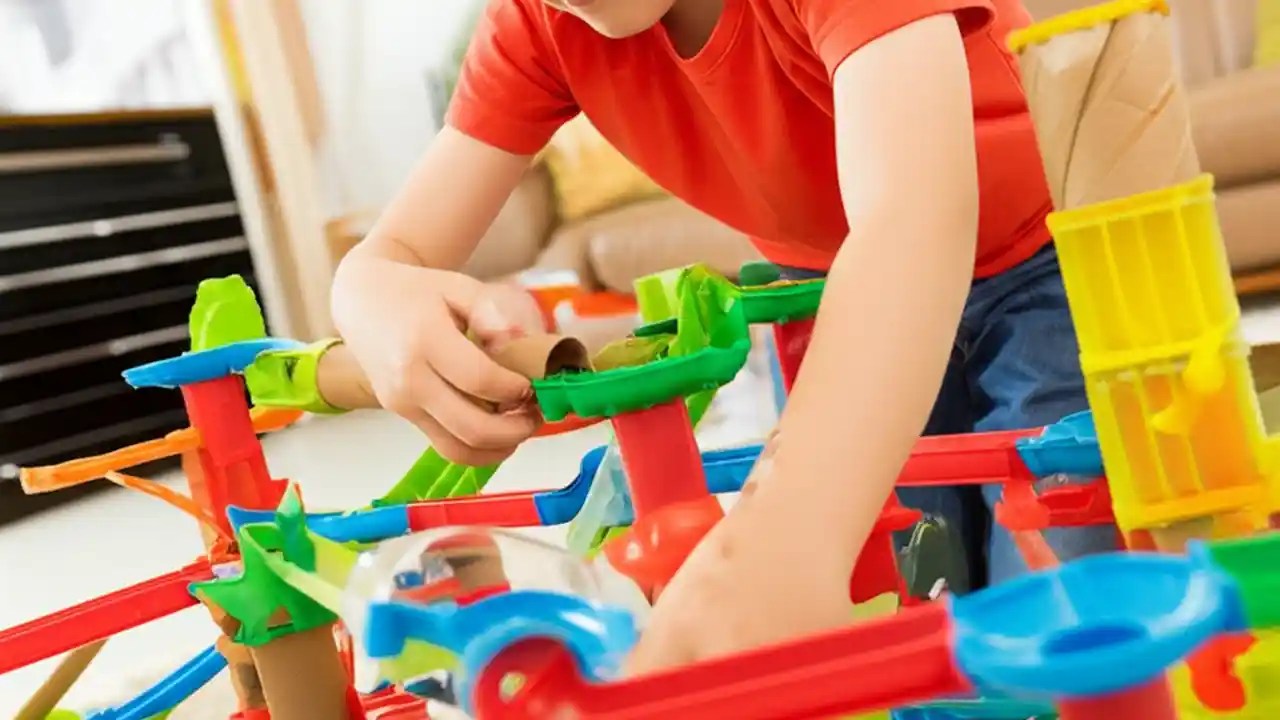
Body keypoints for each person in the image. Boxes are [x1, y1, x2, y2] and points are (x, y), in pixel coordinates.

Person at [330, 0, 1118, 679]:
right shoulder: (536, 25)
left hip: (1040, 260)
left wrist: (792, 526)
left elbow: (913, 216)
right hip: (834, 301)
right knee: (912, 586)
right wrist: (365, 292)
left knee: (1063, 597)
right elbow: (393, 252)